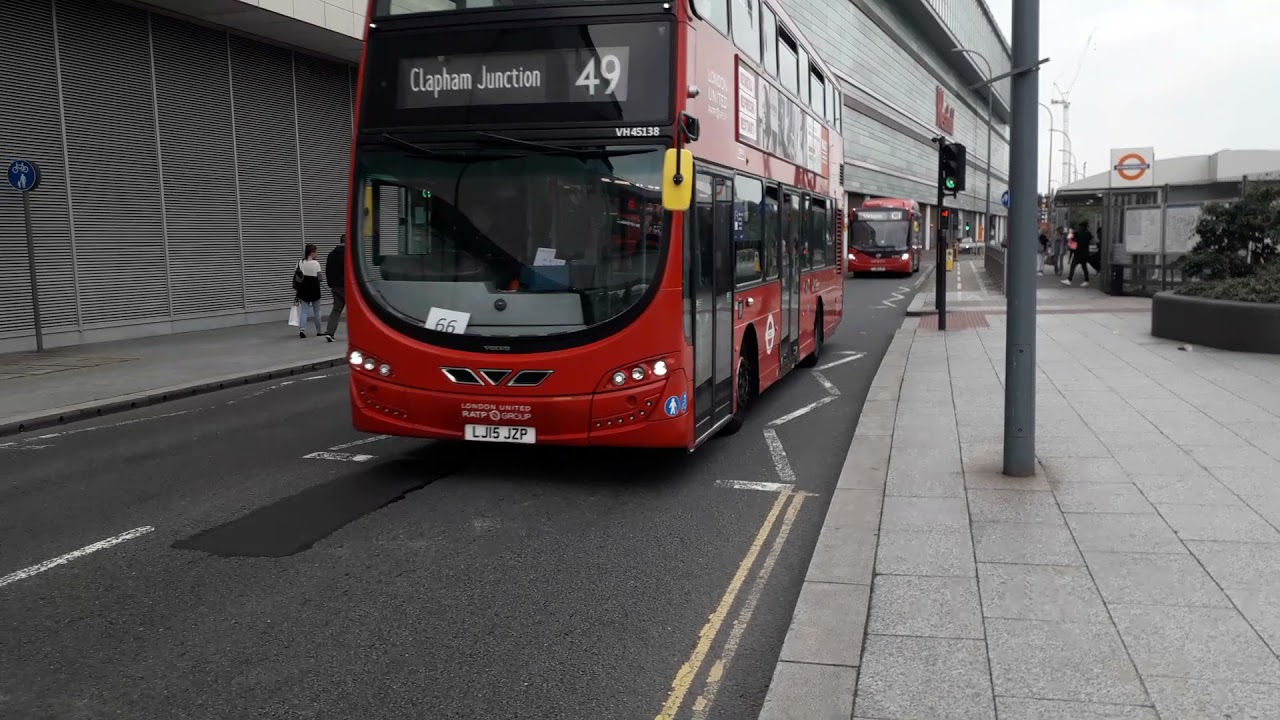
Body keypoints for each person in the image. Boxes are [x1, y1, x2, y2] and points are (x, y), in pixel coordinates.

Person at [295, 244, 324, 338]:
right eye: (316, 252)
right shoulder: (316, 263)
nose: (317, 254)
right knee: (317, 311)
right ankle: (319, 330)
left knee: (304, 311)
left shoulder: (300, 262)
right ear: (311, 252)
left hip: (303, 288)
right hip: (314, 288)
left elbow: (298, 276)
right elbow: (320, 278)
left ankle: (302, 330)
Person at [323, 235, 346, 342]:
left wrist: (330, 283)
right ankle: (359, 334)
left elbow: (328, 270)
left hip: (335, 287)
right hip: (347, 287)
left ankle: (330, 332)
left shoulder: (331, 254)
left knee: (336, 310)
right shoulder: (348, 254)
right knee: (354, 311)